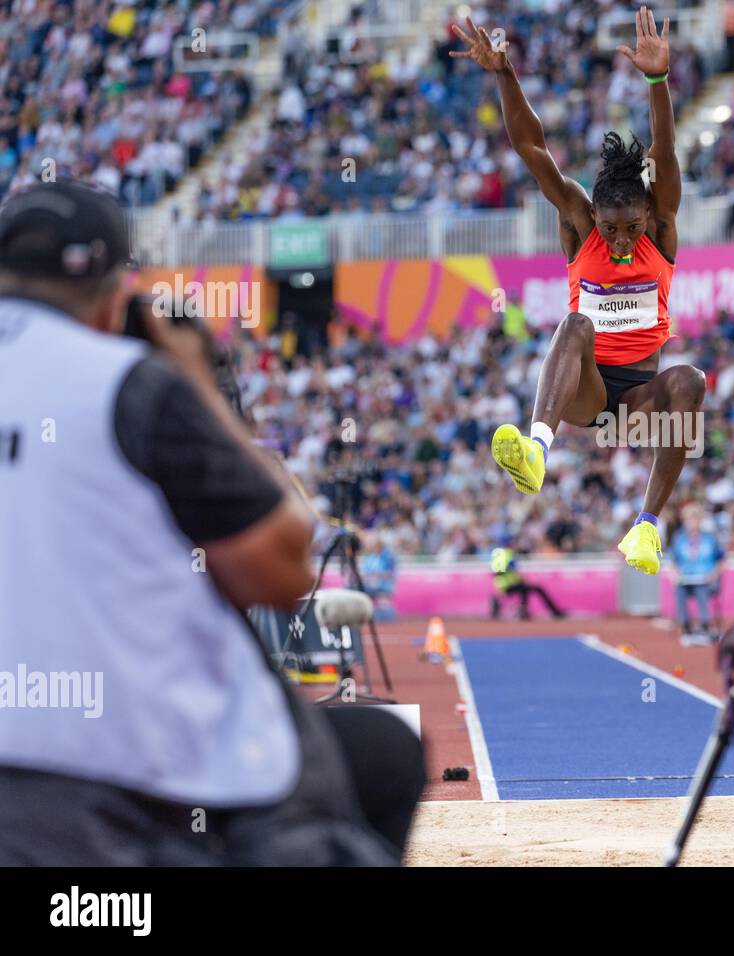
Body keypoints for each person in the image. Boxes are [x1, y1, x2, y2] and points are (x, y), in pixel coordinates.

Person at [0, 181, 423, 864]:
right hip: (112, 792)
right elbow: (284, 573)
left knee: (374, 753)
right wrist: (196, 378)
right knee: (375, 763)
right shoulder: (126, 383)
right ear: (115, 300)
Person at [453, 6, 706, 577]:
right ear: (594, 215)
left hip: (640, 404)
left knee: (691, 379)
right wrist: (504, 74)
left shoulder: (660, 229)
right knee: (574, 324)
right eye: (611, 228)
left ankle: (645, 528)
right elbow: (530, 149)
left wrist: (659, 82)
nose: (619, 243)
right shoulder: (579, 221)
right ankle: (536, 449)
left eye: (630, 230)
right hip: (587, 397)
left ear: (650, 218)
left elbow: (665, 160)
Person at [667, 503, 725, 644]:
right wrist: (674, 574)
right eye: (689, 520)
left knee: (701, 589)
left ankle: (705, 625)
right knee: (679, 590)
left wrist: (714, 574)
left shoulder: (710, 539)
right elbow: (672, 561)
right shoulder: (679, 538)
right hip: (686, 579)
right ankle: (686, 626)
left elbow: (721, 561)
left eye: (695, 519)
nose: (692, 523)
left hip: (706, 579)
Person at [490, 547, 566, 620]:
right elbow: (498, 572)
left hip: (512, 585)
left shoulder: (507, 554)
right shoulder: (504, 554)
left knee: (527, 589)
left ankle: (523, 610)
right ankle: (555, 612)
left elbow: (508, 572)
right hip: (507, 586)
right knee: (534, 589)